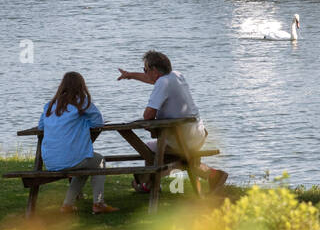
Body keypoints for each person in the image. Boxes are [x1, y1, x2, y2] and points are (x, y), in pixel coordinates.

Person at [117, 50, 228, 194]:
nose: (144, 73)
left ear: (154, 70)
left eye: (145, 70)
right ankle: (213, 175)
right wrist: (130, 75)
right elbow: (151, 79)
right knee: (183, 158)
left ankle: (147, 183)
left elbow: (148, 115)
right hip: (198, 134)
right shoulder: (176, 76)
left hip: (182, 139)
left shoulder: (162, 83)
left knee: (148, 149)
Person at [38, 72, 118, 214]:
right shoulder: (82, 102)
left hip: (50, 161)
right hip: (72, 159)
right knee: (99, 161)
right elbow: (98, 122)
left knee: (84, 163)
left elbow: (41, 127)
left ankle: (67, 205)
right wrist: (85, 122)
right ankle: (98, 203)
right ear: (81, 86)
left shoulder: (49, 106)